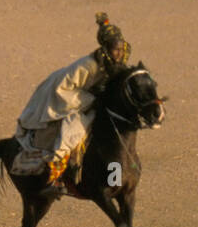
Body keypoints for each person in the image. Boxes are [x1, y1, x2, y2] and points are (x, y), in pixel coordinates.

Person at [13, 13, 130, 195]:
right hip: (60, 99)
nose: (119, 53)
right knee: (72, 130)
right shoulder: (87, 66)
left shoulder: (113, 64)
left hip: (86, 101)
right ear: (106, 48)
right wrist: (92, 100)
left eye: (121, 49)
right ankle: (56, 178)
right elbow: (62, 89)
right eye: (116, 49)